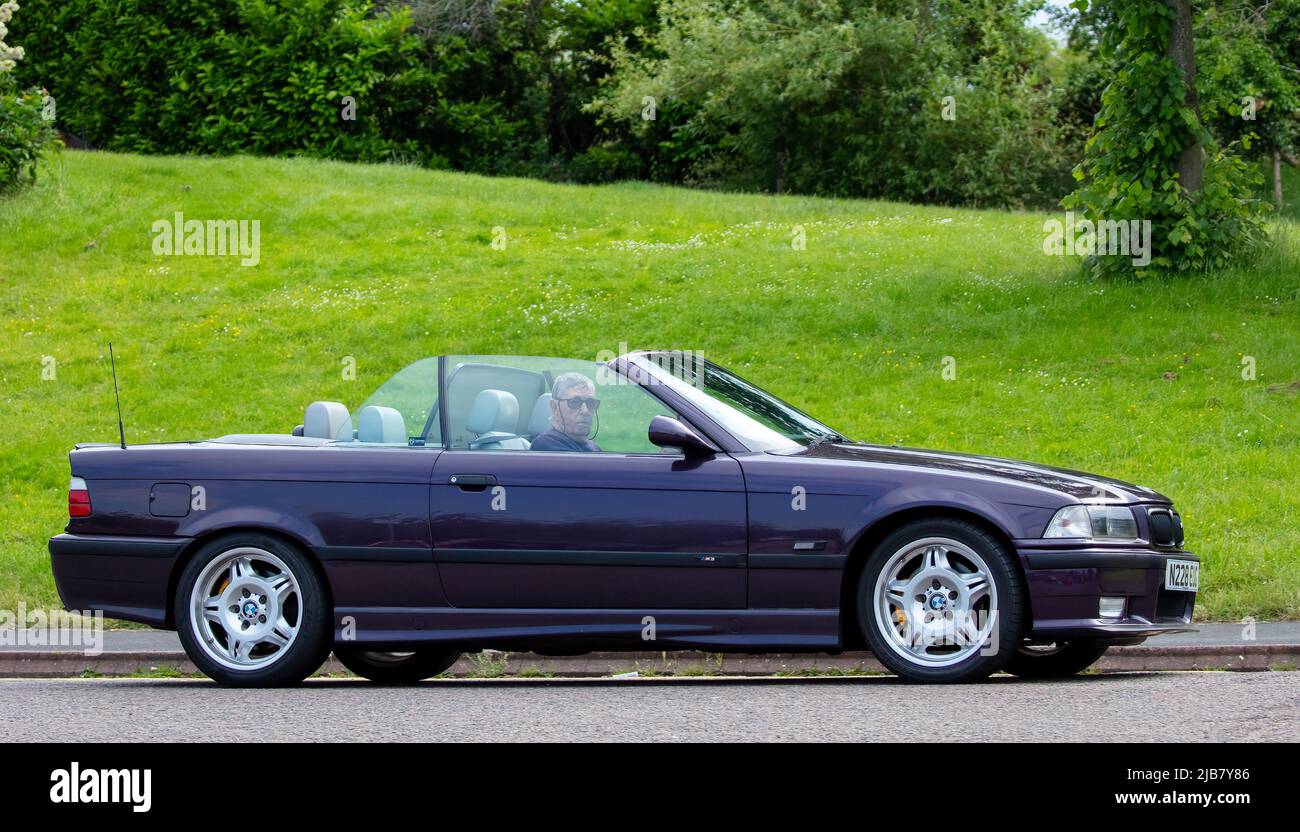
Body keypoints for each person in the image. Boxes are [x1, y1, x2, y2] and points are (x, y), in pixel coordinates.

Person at [530, 372, 603, 452]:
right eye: (574, 402)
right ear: (554, 407)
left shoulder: (593, 447)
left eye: (590, 403)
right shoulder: (546, 445)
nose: (585, 411)